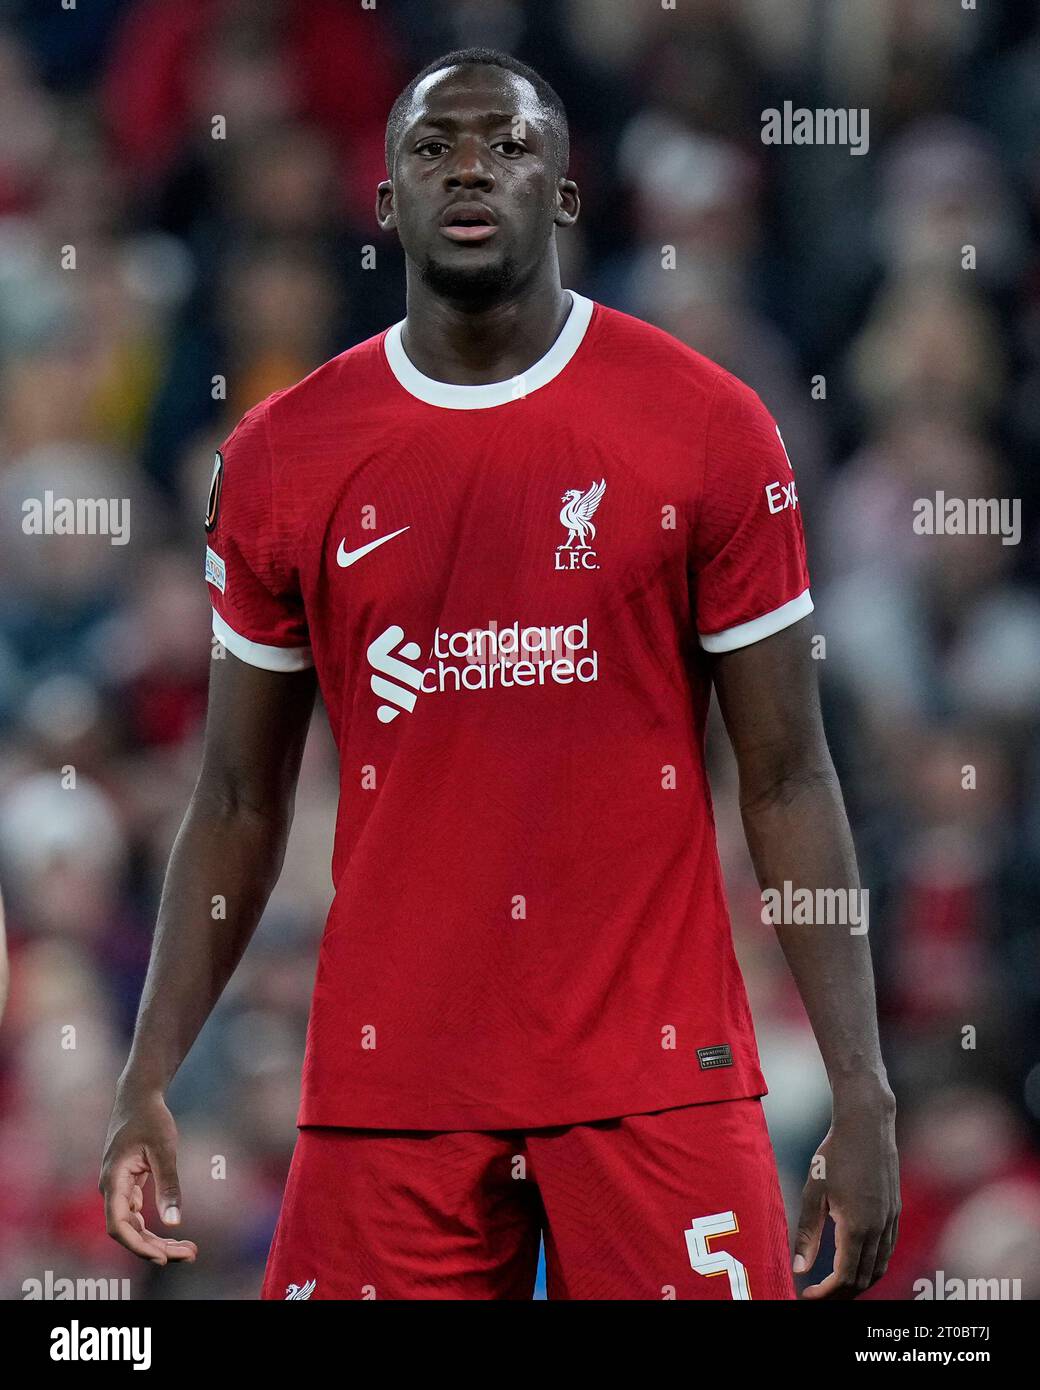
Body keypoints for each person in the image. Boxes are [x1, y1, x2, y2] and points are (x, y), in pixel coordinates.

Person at [100, 48, 899, 1301]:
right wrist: (147, 1069)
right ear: (386, 204)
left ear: (566, 195)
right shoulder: (282, 459)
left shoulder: (708, 426)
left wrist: (859, 1085)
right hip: (394, 1081)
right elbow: (239, 801)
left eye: (508, 144)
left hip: (652, 1071)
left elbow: (789, 771)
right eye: (431, 148)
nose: (469, 166)